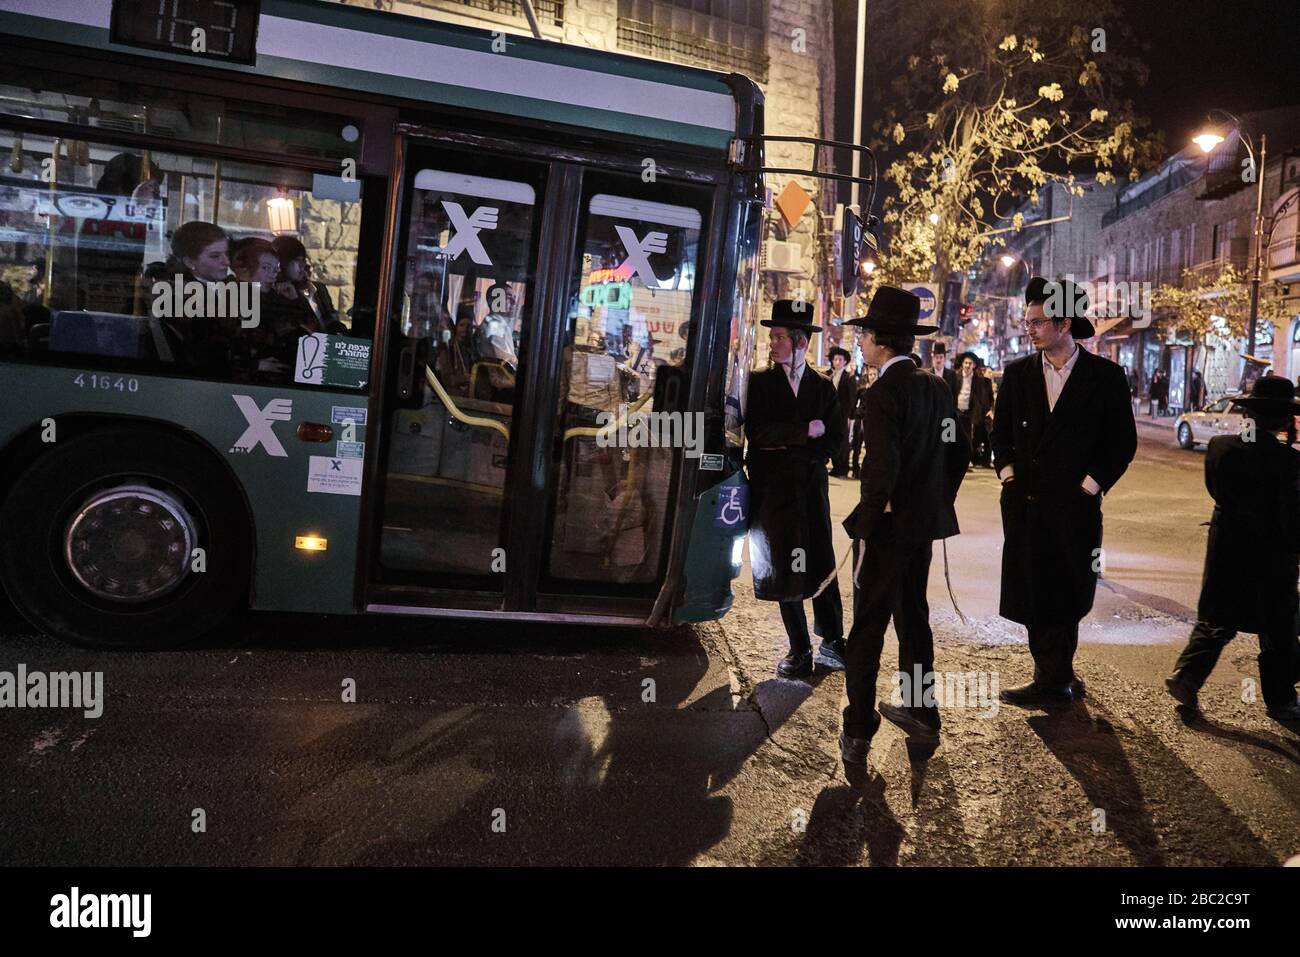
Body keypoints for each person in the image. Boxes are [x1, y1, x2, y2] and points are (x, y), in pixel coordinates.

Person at [838, 286, 969, 776]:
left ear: (878, 340)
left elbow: (881, 468)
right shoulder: (936, 386)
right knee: (913, 618)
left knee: (868, 627)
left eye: (865, 335)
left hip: (891, 529)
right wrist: (938, 497)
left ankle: (857, 730)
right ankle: (921, 710)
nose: (862, 344)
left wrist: (867, 521)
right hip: (920, 527)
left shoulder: (881, 393)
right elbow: (958, 446)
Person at [992, 278, 1137, 708]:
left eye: (1036, 322)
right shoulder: (1018, 374)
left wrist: (1089, 487)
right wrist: (1008, 477)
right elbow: (999, 434)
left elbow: (1121, 442)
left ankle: (1055, 676)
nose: (1028, 329)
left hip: (1075, 508)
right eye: (1027, 321)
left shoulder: (1105, 377)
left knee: (1069, 589)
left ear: (1063, 323)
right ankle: (1052, 675)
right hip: (1027, 504)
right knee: (1032, 590)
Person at [1165, 375, 1300, 730]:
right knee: (1279, 627)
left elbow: (1217, 492)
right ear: (1285, 421)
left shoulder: (1221, 448)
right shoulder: (1290, 463)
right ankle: (1282, 699)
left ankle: (1187, 677)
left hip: (1228, 546)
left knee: (1217, 618)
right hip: (1273, 554)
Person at [745, 299, 846, 679]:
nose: (773, 343)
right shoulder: (760, 383)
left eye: (780, 337)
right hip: (773, 493)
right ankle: (798, 648)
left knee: (821, 563)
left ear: (801, 342)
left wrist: (794, 449)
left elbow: (835, 438)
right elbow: (757, 434)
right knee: (785, 569)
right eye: (772, 336)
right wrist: (804, 431)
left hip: (810, 489)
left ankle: (833, 640)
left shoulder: (822, 386)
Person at [953, 351, 994, 469]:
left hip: (968, 413)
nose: (967, 365)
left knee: (966, 439)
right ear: (962, 364)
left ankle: (965, 461)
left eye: (970, 363)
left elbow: (984, 398)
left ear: (974, 365)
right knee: (949, 436)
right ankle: (949, 460)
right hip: (954, 411)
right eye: (965, 363)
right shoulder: (954, 376)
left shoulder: (978, 380)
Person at [828, 345, 857, 477]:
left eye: (840, 359)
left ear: (845, 361)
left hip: (842, 415)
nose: (837, 362)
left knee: (842, 441)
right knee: (831, 440)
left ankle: (842, 467)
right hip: (829, 414)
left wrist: (847, 414)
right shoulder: (828, 375)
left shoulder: (848, 377)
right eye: (835, 359)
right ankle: (835, 465)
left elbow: (851, 398)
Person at [848, 365, 878, 478]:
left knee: (871, 447)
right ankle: (856, 469)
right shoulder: (862, 389)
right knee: (857, 446)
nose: (873, 377)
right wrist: (854, 414)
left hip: (873, 422)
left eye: (875, 375)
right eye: (871, 375)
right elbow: (854, 403)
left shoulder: (881, 391)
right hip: (860, 420)